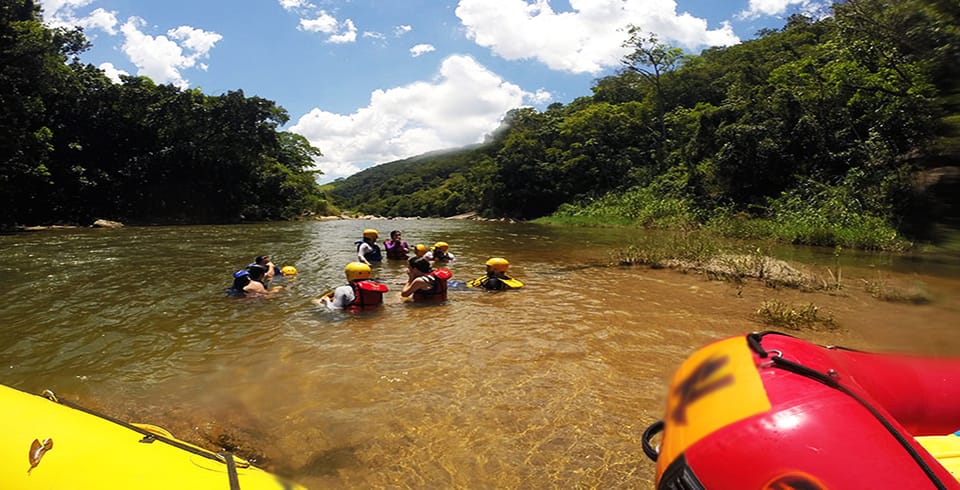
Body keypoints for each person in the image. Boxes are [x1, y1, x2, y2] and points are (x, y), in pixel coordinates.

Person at [320, 262, 388, 310]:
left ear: (348, 275)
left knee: (317, 302)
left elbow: (335, 309)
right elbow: (380, 305)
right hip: (372, 316)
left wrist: (327, 301)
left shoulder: (342, 289)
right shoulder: (375, 288)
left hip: (353, 318)